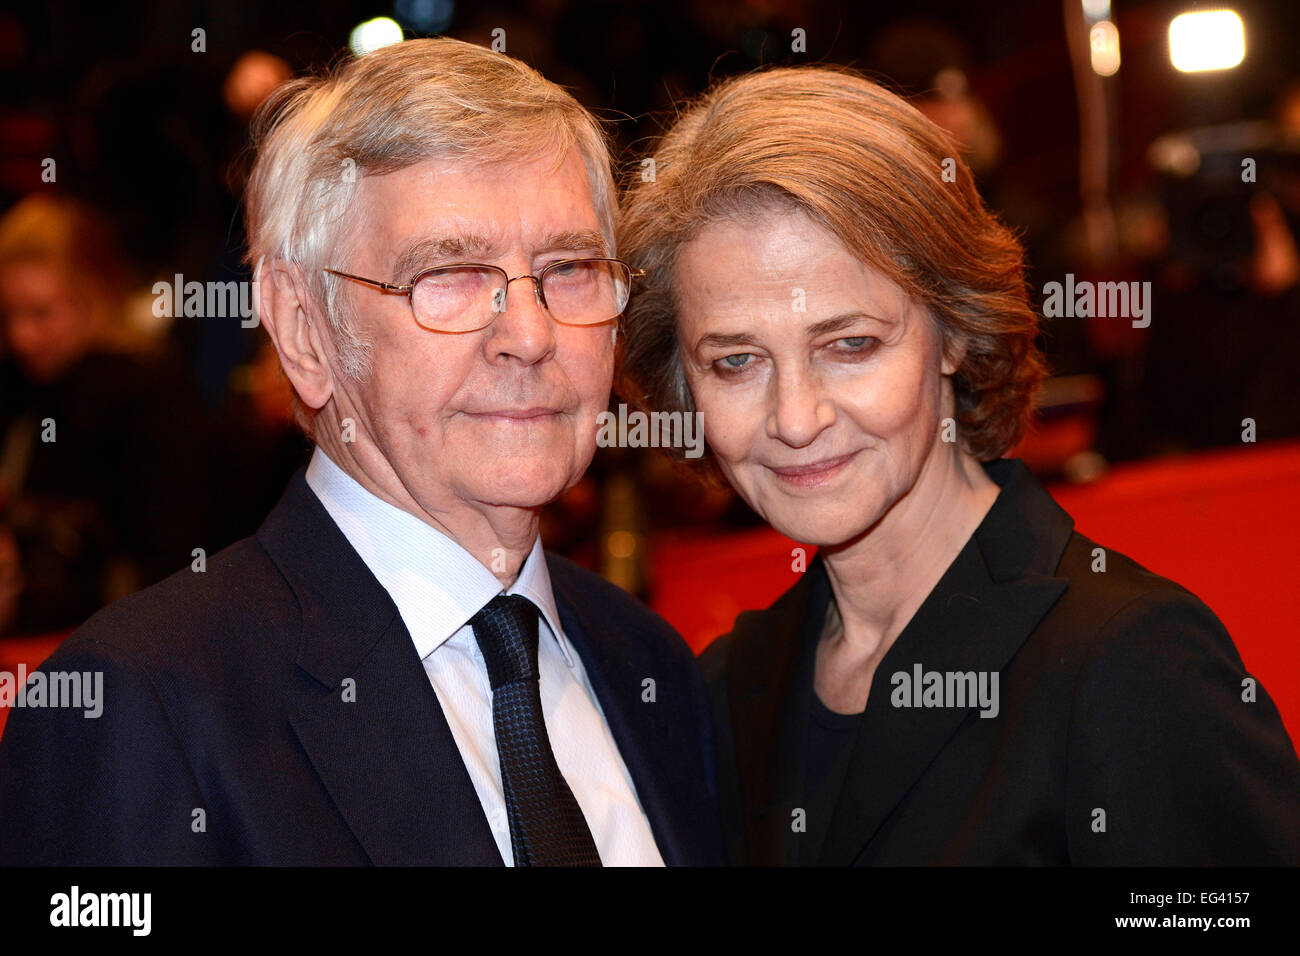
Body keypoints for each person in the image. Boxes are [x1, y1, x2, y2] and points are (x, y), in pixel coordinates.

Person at [0, 38, 723, 866]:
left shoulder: (652, 665)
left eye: (569, 268)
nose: (530, 334)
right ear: (304, 330)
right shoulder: (140, 710)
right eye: (447, 274)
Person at [617, 65, 1300, 865]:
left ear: (956, 332)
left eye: (851, 345)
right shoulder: (730, 689)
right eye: (736, 361)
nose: (796, 418)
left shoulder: (1127, 662)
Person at [0, 195, 210, 636]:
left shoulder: (150, 401)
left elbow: (168, 569)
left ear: (94, 297)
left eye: (41, 313)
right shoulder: (23, 389)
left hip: (115, 651)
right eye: (8, 315)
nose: (20, 336)